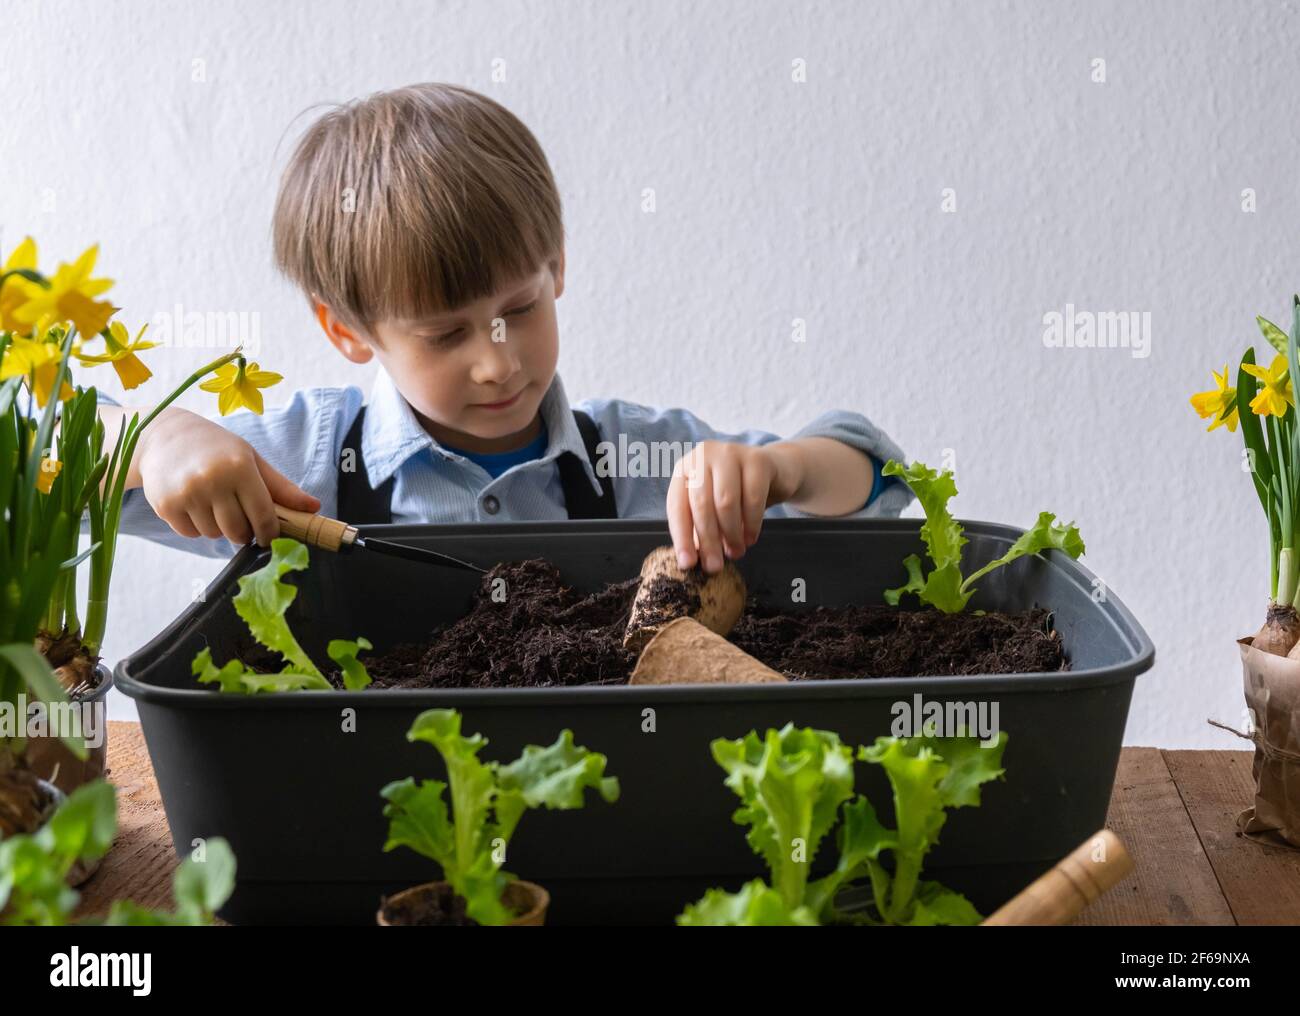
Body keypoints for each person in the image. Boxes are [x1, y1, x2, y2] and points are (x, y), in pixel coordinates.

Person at [99, 83, 911, 574]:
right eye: (446, 335)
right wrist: (158, 441)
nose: (497, 363)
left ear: (556, 267)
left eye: (519, 311)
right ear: (347, 331)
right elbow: (35, 465)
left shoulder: (632, 462)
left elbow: (878, 477)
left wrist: (779, 471)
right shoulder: (299, 466)